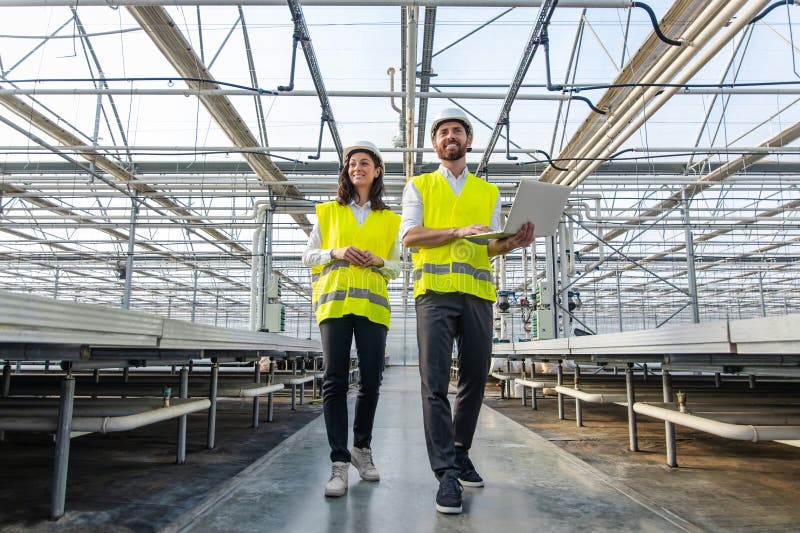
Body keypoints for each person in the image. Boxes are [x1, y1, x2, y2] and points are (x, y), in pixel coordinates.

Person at [401, 108, 534, 514]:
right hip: (435, 292)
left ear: (468, 142)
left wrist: (511, 244)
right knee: (435, 383)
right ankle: (445, 475)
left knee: (476, 377)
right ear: (436, 144)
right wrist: (458, 231)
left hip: (477, 293)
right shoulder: (419, 185)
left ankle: (459, 451)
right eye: (443, 132)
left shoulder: (487, 192)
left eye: (457, 130)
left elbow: (488, 245)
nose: (450, 136)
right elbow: (410, 237)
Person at [302, 141, 401, 498]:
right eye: (351, 163)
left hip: (373, 307)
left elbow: (397, 265)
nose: (357, 167)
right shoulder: (329, 213)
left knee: (371, 380)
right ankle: (339, 462)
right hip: (335, 306)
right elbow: (308, 256)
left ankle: (362, 448)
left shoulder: (390, 219)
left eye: (365, 163)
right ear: (346, 171)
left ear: (377, 172)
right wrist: (336, 251)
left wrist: (377, 261)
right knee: (335, 381)